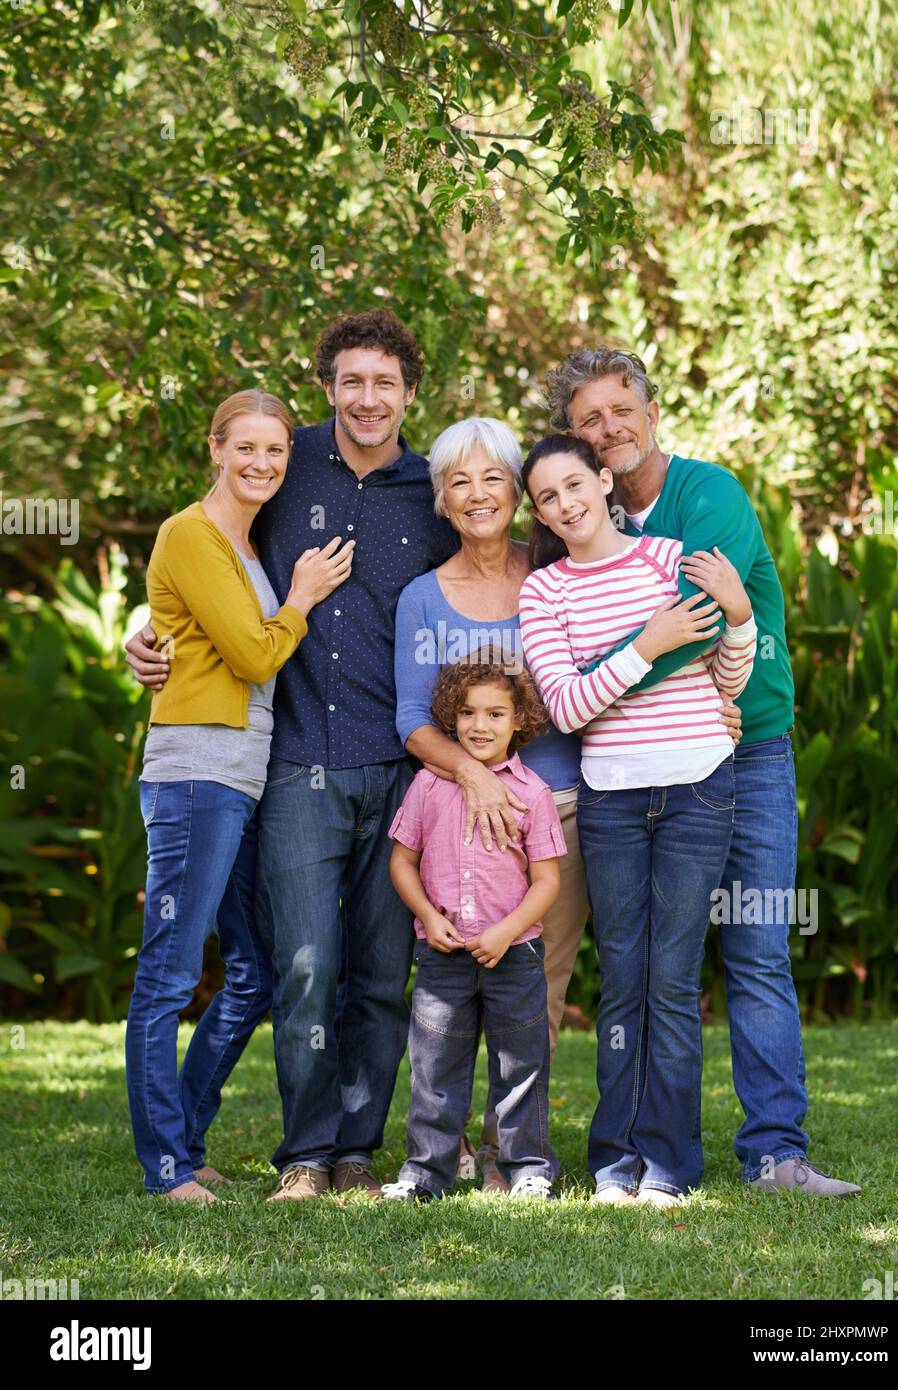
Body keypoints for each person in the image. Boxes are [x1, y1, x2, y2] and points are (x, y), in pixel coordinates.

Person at [125, 310, 460, 1200]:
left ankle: (357, 1149)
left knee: (382, 978)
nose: (368, 398)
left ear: (409, 393)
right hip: (289, 764)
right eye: (351, 380)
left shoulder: (432, 493)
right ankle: (306, 1156)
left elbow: (494, 578)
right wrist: (141, 633)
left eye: (385, 383)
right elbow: (203, 555)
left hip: (398, 769)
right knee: (304, 970)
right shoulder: (283, 462)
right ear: (327, 388)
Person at [394, 415, 745, 1189]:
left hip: (570, 808)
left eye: (496, 479)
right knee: (454, 990)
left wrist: (722, 693)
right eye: (460, 481)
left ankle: (512, 1151)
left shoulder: (567, 572)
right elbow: (426, 717)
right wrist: (475, 774)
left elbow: (700, 645)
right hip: (478, 815)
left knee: (542, 990)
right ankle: (443, 1150)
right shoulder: (446, 596)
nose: (479, 494)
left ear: (524, 494)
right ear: (442, 500)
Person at [548, 347, 860, 1198]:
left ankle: (775, 1152)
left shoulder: (709, 494)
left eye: (621, 410)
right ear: (572, 437)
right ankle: (641, 1150)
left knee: (756, 946)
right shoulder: (580, 517)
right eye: (588, 420)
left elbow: (684, 624)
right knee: (643, 966)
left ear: (651, 412)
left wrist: (585, 691)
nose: (608, 429)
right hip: (642, 768)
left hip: (747, 744)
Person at [519, 434, 758, 1207]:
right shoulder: (544, 591)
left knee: (671, 978)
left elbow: (726, 668)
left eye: (573, 484)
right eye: (547, 497)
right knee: (622, 980)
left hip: (697, 787)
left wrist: (742, 616)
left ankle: (669, 1167)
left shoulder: (667, 559)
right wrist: (648, 644)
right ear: (542, 514)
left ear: (602, 477)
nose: (565, 504)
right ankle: (615, 1162)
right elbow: (566, 704)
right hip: (612, 797)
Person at [126, 389, 345, 1201]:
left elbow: (190, 632)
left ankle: (182, 1137)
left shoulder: (241, 544)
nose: (261, 463)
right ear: (215, 447)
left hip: (243, 778)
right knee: (170, 976)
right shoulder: (190, 532)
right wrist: (301, 600)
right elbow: (255, 656)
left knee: (252, 971)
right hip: (195, 775)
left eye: (276, 451)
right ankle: (165, 1167)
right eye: (245, 447)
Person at [383, 658, 566, 1202]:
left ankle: (527, 1168)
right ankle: (425, 1175)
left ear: (519, 722)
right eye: (466, 712)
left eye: (494, 713)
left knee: (522, 1066)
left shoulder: (533, 793)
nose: (479, 725)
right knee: (435, 1070)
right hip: (443, 952)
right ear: (451, 717)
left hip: (514, 954)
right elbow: (401, 863)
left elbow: (547, 880)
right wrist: (429, 918)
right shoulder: (427, 787)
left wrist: (507, 931)